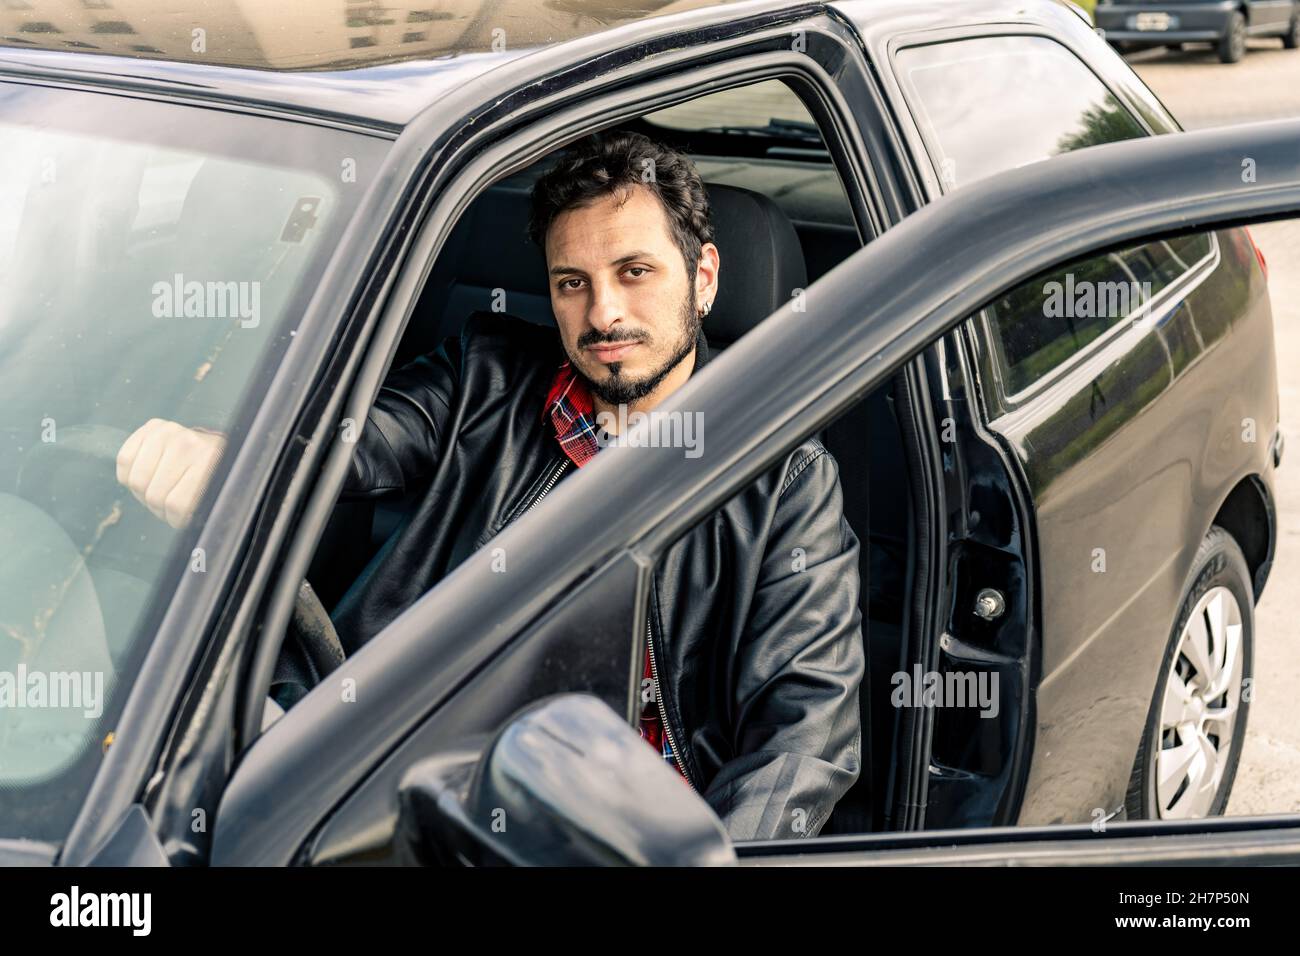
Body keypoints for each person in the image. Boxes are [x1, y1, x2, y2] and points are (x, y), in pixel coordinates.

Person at [116, 131, 865, 841]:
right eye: (573, 283)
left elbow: (801, 740)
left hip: (622, 835)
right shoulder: (483, 376)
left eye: (635, 273)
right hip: (394, 794)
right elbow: (346, 446)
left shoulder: (785, 476)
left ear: (701, 277)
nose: (603, 312)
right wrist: (233, 457)